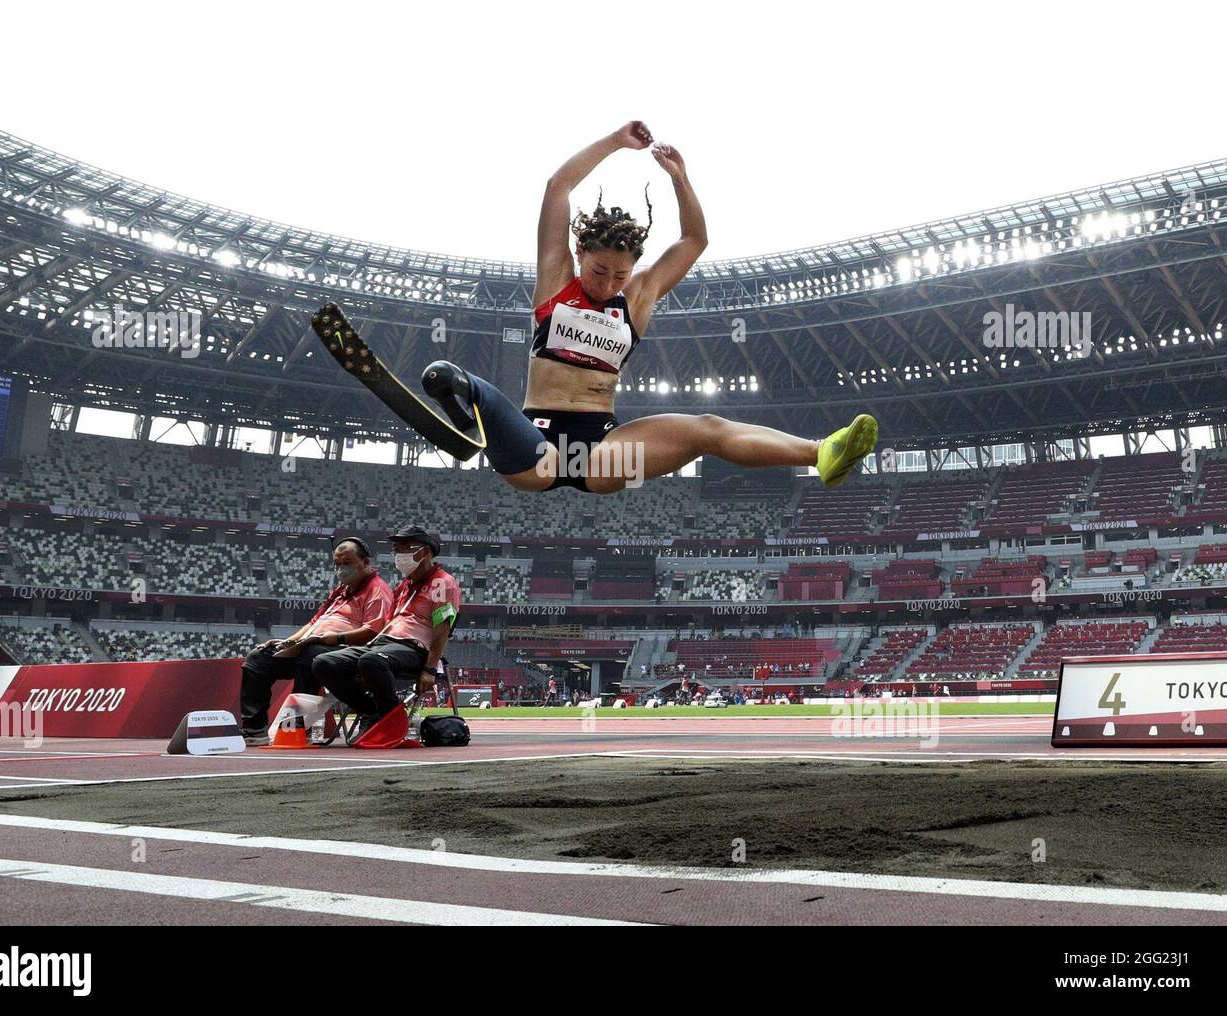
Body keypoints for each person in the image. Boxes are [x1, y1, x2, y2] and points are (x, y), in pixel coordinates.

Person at [420, 120, 877, 495]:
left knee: (708, 427)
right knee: (457, 378)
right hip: (535, 445)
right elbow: (558, 186)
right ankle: (463, 397)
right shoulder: (556, 282)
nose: (607, 283)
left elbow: (694, 240)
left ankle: (823, 453)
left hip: (601, 453)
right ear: (580, 253)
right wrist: (616, 142)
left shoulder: (635, 298)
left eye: (619, 275)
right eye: (599, 271)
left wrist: (680, 179)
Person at [239, 537, 393, 745]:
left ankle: (296, 727)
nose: (341, 569)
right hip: (311, 645)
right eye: (337, 564)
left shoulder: (377, 589)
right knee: (257, 659)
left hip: (344, 653)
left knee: (309, 656)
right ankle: (254, 730)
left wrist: (334, 638)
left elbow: (373, 630)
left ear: (365, 563)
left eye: (347, 563)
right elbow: (313, 623)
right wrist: (287, 642)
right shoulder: (340, 592)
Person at [312, 525, 460, 734]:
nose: (400, 554)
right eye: (397, 549)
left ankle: (390, 717)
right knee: (323, 662)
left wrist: (429, 669)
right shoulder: (404, 586)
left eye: (406, 548)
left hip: (415, 649)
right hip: (382, 645)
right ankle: (370, 710)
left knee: (371, 660)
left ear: (425, 551)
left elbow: (442, 629)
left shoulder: (442, 584)